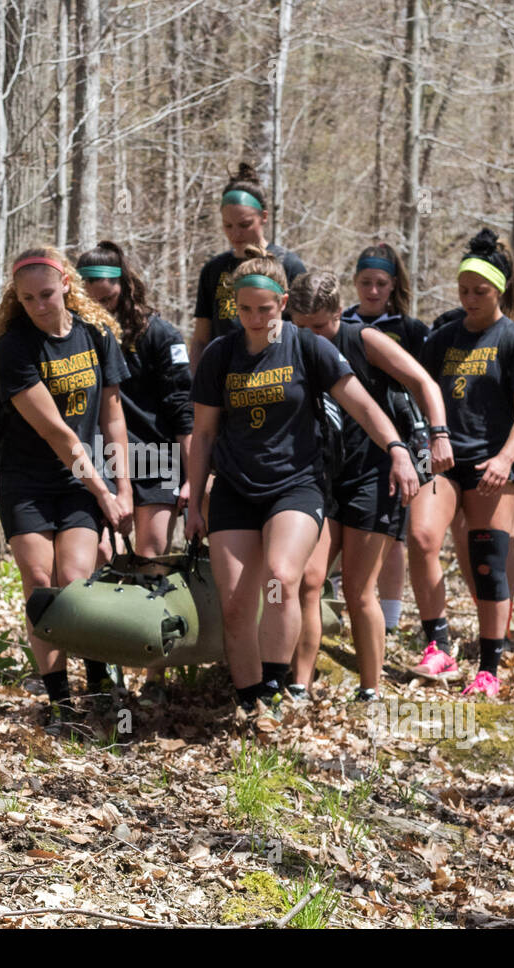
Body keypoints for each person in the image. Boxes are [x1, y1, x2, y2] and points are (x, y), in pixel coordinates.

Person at [186, 253, 419, 711]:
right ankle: (250, 702)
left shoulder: (308, 347)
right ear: (234, 307)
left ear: (284, 304)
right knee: (235, 603)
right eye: (246, 309)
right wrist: (194, 503)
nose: (255, 319)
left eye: (266, 309)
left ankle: (276, 691)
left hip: (295, 485)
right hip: (235, 486)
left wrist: (397, 450)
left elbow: (364, 405)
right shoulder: (220, 355)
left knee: (280, 577)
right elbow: (205, 433)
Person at [0, 248, 133, 721]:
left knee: (76, 581)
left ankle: (100, 684)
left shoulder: (96, 336)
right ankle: (60, 699)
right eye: (28, 299)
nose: (40, 305)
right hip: (26, 482)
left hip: (78, 484)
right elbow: (58, 434)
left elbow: (113, 414)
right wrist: (103, 493)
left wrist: (123, 486)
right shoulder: (15, 348)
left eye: (46, 293)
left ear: (66, 283)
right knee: (41, 584)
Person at [286, 269, 449, 701]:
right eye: (303, 328)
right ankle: (299, 685)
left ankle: (370, 689)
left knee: (359, 589)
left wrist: (439, 434)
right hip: (319, 476)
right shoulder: (288, 345)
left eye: (320, 327)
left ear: (339, 313)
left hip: (374, 474)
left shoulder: (365, 341)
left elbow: (424, 382)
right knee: (309, 581)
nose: (313, 337)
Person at [406, 229, 514, 696]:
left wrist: (507, 459)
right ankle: (439, 646)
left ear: (500, 290)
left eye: (480, 292)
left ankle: (489, 668)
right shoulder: (443, 338)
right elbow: (420, 394)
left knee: (487, 558)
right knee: (422, 536)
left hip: (494, 463)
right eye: (464, 290)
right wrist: (432, 437)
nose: (469, 299)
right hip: (445, 459)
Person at [339, 243, 433, 636]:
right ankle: (337, 611)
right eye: (365, 283)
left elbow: (425, 384)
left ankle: (390, 622)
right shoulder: (340, 323)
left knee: (394, 534)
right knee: (340, 527)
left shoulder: (411, 331)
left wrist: (430, 439)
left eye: (380, 283)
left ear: (393, 285)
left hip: (400, 444)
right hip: (346, 440)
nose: (372, 291)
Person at [77, 241, 192, 557]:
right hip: (103, 456)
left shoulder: (159, 335)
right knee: (101, 552)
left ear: (124, 287)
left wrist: (194, 476)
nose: (101, 308)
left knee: (151, 557)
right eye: (92, 301)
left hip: (157, 456)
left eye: (108, 299)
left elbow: (183, 409)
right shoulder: (76, 336)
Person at [190, 163, 306, 366]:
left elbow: (305, 330)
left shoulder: (288, 265)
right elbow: (201, 338)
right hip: (225, 372)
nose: (235, 234)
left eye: (244, 225)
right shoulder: (213, 270)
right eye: (228, 225)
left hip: (277, 370)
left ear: (263, 217)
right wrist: (197, 384)